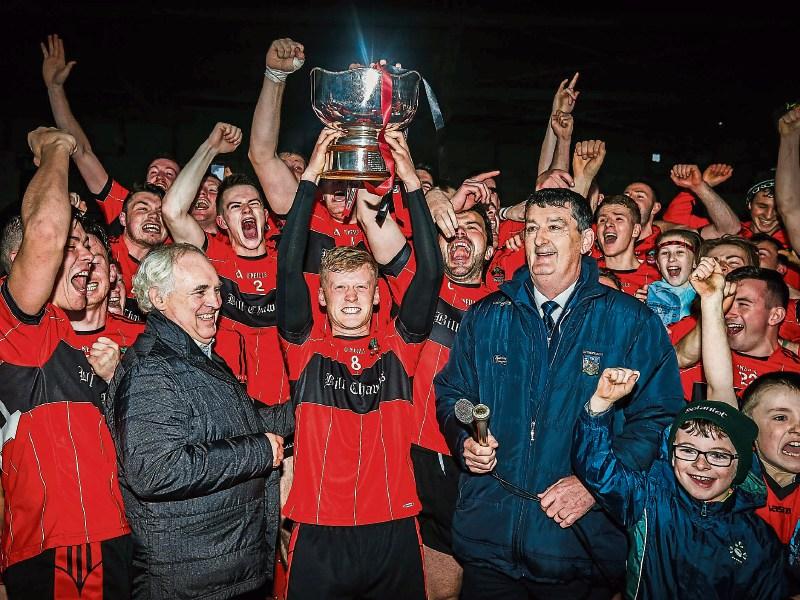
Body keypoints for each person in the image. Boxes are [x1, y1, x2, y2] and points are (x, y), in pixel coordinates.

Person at [435, 187, 683, 598]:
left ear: (586, 241)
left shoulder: (631, 322)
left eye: (555, 227)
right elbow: (454, 395)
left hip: (577, 550)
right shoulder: (487, 315)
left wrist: (596, 485)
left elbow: (659, 418)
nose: (540, 239)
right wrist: (465, 439)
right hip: (489, 544)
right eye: (532, 228)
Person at [276, 128, 442, 600]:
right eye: (339, 288)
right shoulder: (306, 348)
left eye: (361, 288)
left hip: (393, 528)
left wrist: (410, 181)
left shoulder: (397, 347)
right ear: (322, 299)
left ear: (375, 297)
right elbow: (288, 266)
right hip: (320, 529)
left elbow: (429, 273)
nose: (350, 297)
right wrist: (309, 175)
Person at [109, 243, 289, 599]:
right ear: (159, 298)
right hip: (192, 583)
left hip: (221, 573)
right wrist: (258, 452)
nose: (216, 302)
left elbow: (246, 420)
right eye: (200, 291)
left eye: (217, 290)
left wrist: (313, 402)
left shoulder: (193, 356)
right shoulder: (152, 370)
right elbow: (154, 471)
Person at [0, 127, 131, 599]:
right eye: (68, 250)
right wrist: (57, 148)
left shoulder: (112, 337)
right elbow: (44, 232)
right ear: (21, 262)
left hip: (119, 536)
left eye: (88, 248)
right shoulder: (22, 331)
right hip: (68, 538)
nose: (85, 259)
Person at [572, 369, 785, 599]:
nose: (701, 464)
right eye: (687, 451)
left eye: (718, 455)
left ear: (740, 466)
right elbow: (598, 470)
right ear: (672, 456)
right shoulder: (649, 500)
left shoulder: (759, 539)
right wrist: (601, 404)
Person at [41, 34, 181, 225]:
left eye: (169, 173)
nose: (160, 177)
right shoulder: (122, 203)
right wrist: (54, 88)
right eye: (154, 171)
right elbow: (81, 151)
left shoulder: (188, 225)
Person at [743, 372, 800, 592]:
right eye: (780, 417)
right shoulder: (735, 478)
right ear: (747, 428)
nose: (797, 428)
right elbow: (719, 387)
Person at [594, 194, 661, 297]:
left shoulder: (655, 279)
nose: (608, 223)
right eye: (602, 220)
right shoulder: (585, 272)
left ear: (635, 230)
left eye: (618, 219)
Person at [647, 229, 700, 326]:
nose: (671, 258)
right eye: (664, 253)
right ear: (658, 264)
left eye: (680, 252)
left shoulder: (704, 294)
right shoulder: (649, 294)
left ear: (695, 261)